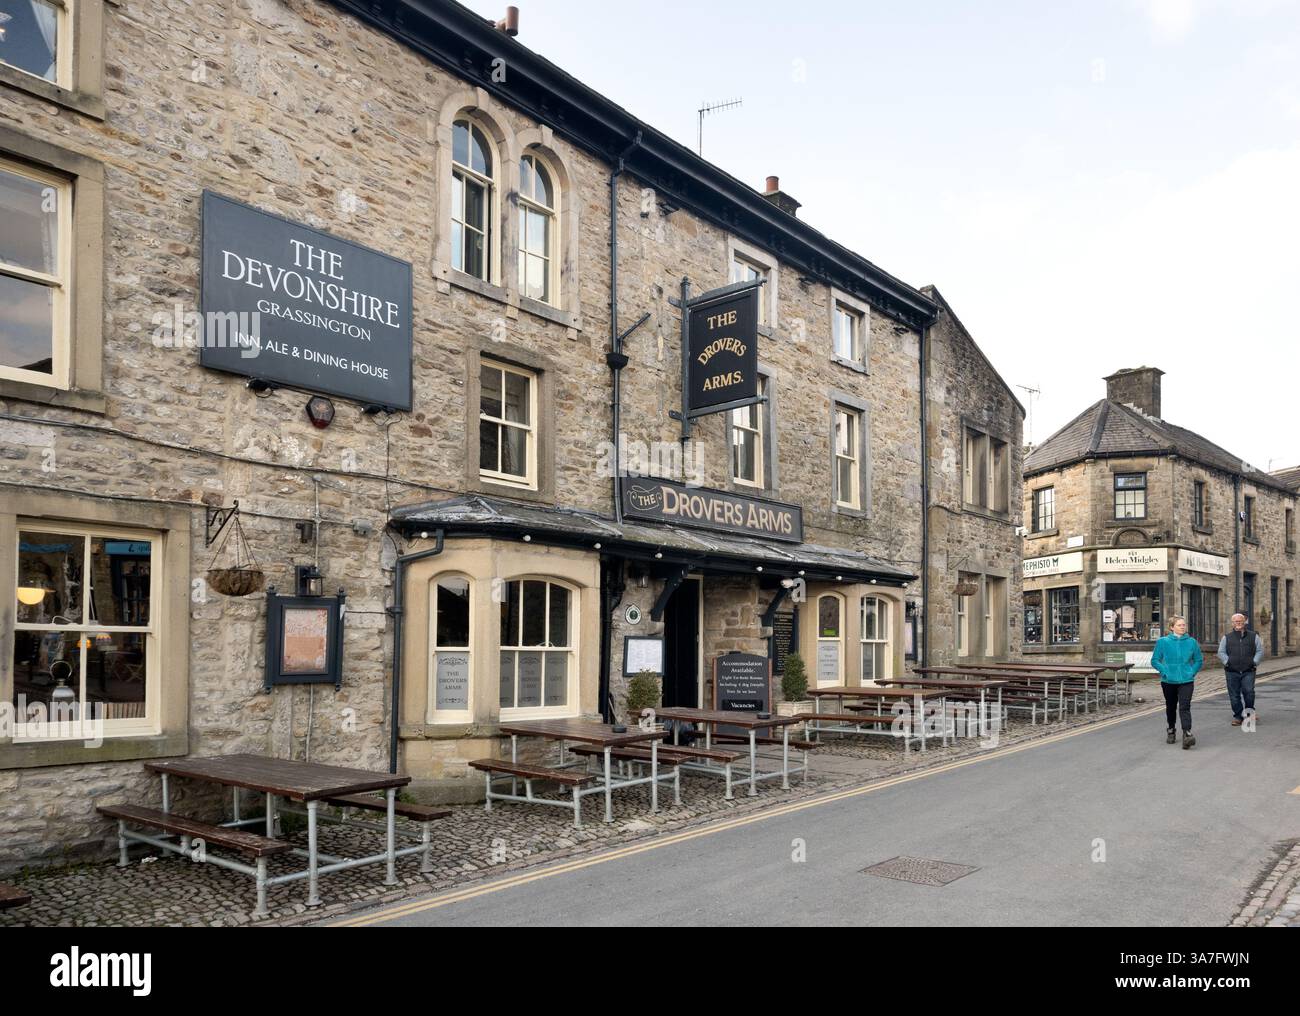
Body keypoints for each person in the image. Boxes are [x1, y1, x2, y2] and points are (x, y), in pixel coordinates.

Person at [1151, 615, 1202, 748]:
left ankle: (1187, 733)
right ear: (1172, 627)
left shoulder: (1192, 642)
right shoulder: (1163, 642)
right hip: (1168, 681)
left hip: (1186, 680)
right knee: (1171, 706)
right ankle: (1171, 729)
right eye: (1179, 625)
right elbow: (1155, 660)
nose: (1182, 627)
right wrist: (1164, 671)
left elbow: (1198, 660)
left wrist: (1192, 672)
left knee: (1185, 706)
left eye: (1184, 625)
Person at [1216, 612, 1264, 726]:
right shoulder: (1226, 638)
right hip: (1232, 671)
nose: (1238, 623)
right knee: (1234, 695)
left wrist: (1254, 662)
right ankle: (1238, 716)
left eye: (1240, 621)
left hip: (1248, 671)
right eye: (1235, 621)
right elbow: (1221, 652)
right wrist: (1227, 662)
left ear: (1244, 622)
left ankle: (1249, 713)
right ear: (1232, 623)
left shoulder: (1254, 636)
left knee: (1249, 692)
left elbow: (1260, 651)